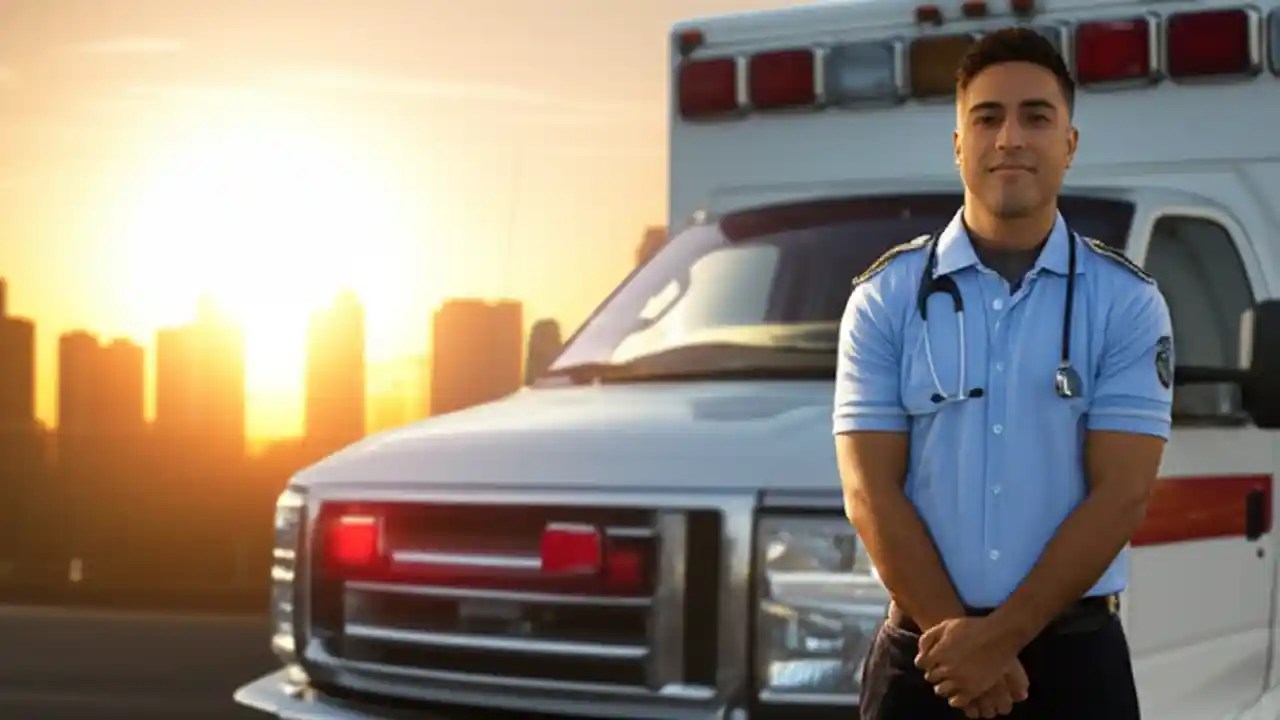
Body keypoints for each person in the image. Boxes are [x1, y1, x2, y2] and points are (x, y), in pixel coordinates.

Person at [832, 27, 1174, 720]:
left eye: (1036, 116)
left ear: (1069, 145)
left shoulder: (1129, 303)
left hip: (1076, 665)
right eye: (986, 117)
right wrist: (962, 648)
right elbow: (869, 493)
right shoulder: (883, 299)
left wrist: (998, 641)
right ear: (958, 142)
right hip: (925, 662)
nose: (1010, 137)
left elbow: (1122, 496)